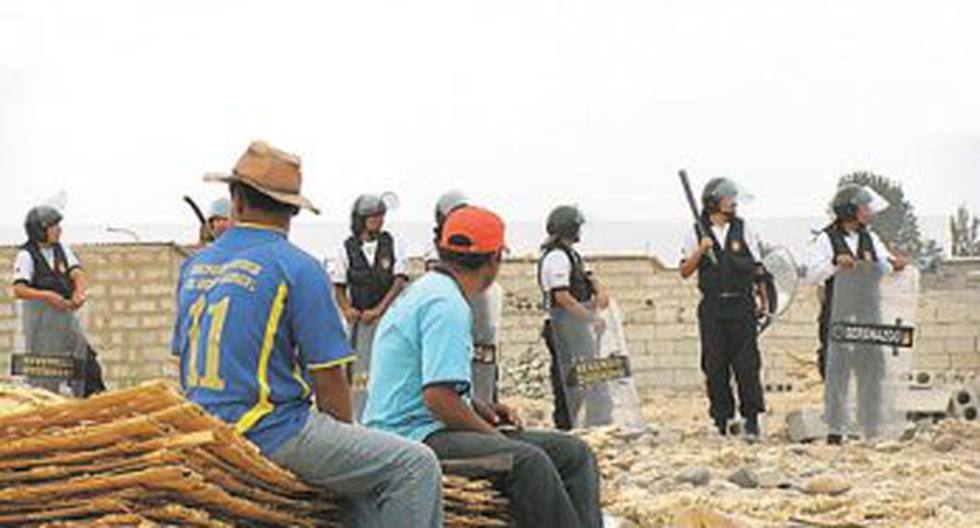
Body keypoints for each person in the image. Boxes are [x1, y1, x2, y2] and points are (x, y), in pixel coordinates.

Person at [172, 140, 442, 527]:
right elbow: (330, 382)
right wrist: (347, 448)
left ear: (236, 199)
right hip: (269, 429)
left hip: (206, 427)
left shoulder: (195, 267)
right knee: (415, 466)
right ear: (293, 209)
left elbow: (182, 361)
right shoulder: (297, 267)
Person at [363, 206, 603, 528]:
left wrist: (479, 406)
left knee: (573, 453)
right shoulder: (447, 305)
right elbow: (438, 399)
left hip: (424, 427)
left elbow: (435, 383)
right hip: (411, 438)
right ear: (494, 260)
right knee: (527, 462)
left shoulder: (428, 290)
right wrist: (495, 437)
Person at [804, 184, 908, 445]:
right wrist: (834, 263)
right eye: (863, 207)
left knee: (872, 367)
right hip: (838, 313)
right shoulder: (826, 239)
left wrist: (895, 264)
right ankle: (836, 428)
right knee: (836, 370)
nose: (868, 212)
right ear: (849, 210)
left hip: (867, 312)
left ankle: (870, 425)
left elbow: (884, 262)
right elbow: (812, 274)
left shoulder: (870, 238)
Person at [679, 178, 766, 439]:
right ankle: (721, 418)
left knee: (747, 364)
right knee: (715, 364)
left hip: (742, 304)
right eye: (728, 198)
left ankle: (751, 419)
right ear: (714, 202)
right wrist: (701, 250)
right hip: (713, 306)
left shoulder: (743, 229)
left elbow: (757, 267)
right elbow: (685, 270)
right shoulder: (696, 232)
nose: (733, 203)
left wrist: (763, 299)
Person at [328, 194, 408, 418]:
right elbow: (338, 284)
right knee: (358, 371)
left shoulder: (393, 244)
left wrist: (380, 310)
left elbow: (399, 280)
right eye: (373, 217)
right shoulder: (346, 248)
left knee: (389, 366)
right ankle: (357, 413)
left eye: (380, 216)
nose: (378, 221)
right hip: (360, 321)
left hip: (388, 317)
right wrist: (346, 309)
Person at [12, 204, 105, 397]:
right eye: (53, 226)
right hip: (41, 325)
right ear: (39, 230)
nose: (59, 230)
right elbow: (19, 289)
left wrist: (79, 292)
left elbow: (76, 272)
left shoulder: (62, 249)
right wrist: (48, 296)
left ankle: (94, 400)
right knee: (48, 373)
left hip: (66, 320)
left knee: (87, 363)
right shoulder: (26, 255)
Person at [537, 205, 612, 431]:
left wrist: (599, 292)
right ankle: (567, 425)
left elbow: (589, 277)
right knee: (569, 380)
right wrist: (590, 318)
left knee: (590, 373)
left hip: (576, 325)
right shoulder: (557, 257)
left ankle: (597, 420)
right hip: (563, 326)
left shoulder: (572, 255)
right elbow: (562, 297)